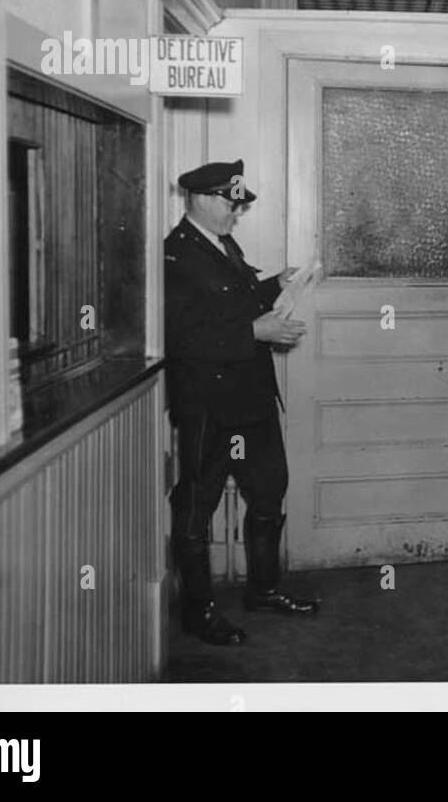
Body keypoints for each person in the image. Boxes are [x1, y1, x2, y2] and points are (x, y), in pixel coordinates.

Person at [165, 159, 318, 645]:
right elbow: (180, 336)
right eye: (232, 204)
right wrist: (254, 330)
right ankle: (198, 611)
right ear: (203, 200)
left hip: (250, 396)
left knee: (269, 490)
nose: (237, 213)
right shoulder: (175, 256)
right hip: (209, 403)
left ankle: (264, 589)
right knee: (198, 503)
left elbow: (233, 300)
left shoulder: (220, 243)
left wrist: (277, 284)